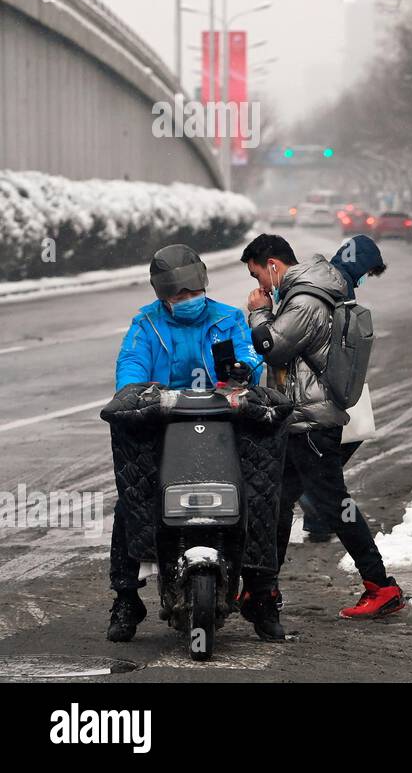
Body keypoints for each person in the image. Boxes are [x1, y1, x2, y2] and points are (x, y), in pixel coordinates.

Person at [242, 234, 404, 635]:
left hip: (311, 425)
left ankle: (381, 585)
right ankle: (263, 590)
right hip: (299, 421)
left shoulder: (305, 300)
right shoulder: (307, 292)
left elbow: (273, 347)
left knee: (334, 506)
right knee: (277, 504)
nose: (259, 284)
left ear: (273, 264)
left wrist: (258, 313)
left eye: (257, 274)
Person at [108, 244, 263, 642]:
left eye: (193, 293)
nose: (188, 301)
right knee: (134, 496)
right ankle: (126, 597)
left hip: (222, 424)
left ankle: (262, 593)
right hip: (164, 426)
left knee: (260, 494)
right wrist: (134, 394)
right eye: (179, 296)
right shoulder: (146, 325)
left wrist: (245, 369)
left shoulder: (227, 318)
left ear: (203, 286)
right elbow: (131, 366)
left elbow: (248, 357)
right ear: (163, 296)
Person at [301, 235, 388, 542]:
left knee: (323, 456)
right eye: (368, 272)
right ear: (359, 264)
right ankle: (321, 516)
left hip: (324, 382)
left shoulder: (337, 279)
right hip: (323, 385)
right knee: (327, 455)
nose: (367, 279)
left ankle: (317, 515)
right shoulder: (339, 285)